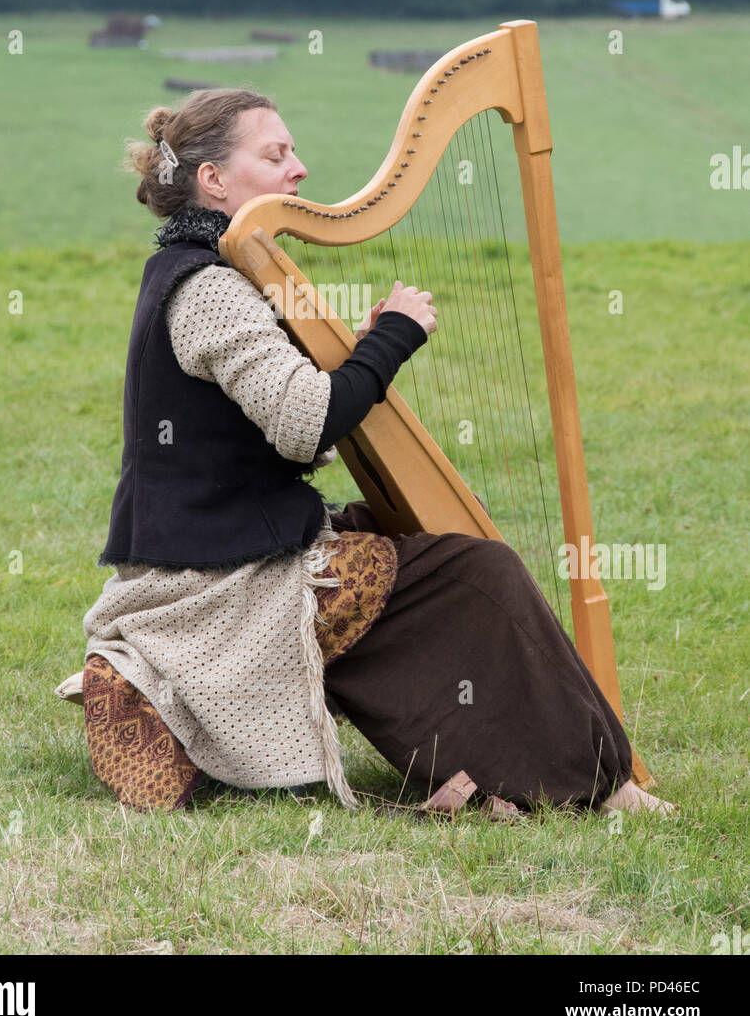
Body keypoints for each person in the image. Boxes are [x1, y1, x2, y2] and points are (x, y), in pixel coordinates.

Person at [60, 87, 676, 821]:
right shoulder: (211, 290)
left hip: (233, 544)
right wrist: (393, 338)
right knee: (477, 572)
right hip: (224, 581)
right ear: (214, 179)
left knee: (430, 541)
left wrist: (356, 348)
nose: (299, 170)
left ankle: (498, 760)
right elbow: (306, 423)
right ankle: (593, 782)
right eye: (276, 155)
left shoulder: (197, 271)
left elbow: (282, 409)